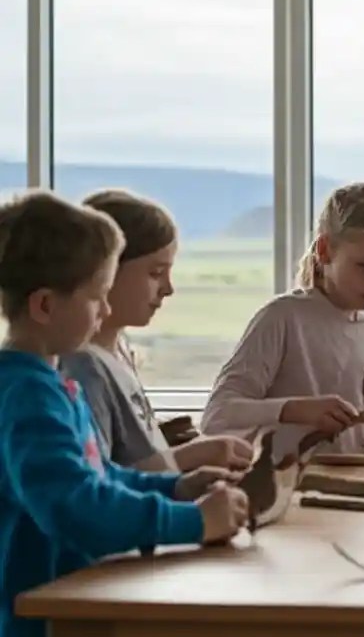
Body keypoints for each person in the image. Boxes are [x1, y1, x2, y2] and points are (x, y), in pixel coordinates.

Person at [0, 190, 247, 637]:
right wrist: (193, 521)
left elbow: (97, 475)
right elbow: (76, 507)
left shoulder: (49, 384)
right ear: (44, 306)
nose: (107, 310)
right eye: (97, 298)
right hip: (43, 622)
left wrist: (175, 487)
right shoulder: (27, 398)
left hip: (76, 605)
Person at [199, 183, 364, 462]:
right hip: (289, 494)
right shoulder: (281, 319)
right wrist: (295, 410)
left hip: (355, 489)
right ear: (325, 250)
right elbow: (217, 416)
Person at [60, 189, 252, 472]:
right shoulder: (84, 367)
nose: (168, 288)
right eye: (155, 273)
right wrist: (190, 458)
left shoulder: (119, 350)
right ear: (106, 272)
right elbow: (93, 486)